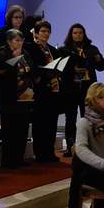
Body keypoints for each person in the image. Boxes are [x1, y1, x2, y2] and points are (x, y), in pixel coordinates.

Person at [59, 23, 104, 154]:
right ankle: (71, 147)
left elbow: (102, 66)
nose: (78, 35)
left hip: (88, 89)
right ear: (71, 35)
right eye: (75, 33)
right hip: (71, 88)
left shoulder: (92, 49)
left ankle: (90, 146)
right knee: (70, 118)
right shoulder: (65, 50)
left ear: (84, 34)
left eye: (80, 33)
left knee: (88, 118)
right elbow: (61, 70)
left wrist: (99, 59)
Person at [0, 29, 35, 169]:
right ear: (9, 41)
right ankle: (8, 159)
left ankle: (19, 157)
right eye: (16, 40)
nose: (19, 43)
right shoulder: (2, 52)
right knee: (9, 128)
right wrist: (13, 57)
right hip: (9, 95)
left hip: (24, 95)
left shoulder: (26, 53)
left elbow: (31, 68)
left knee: (22, 128)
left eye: (21, 40)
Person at [27, 20, 62, 162]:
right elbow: (31, 67)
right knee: (40, 122)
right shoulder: (31, 48)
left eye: (48, 31)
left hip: (53, 88)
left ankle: (49, 151)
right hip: (39, 89)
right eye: (42, 31)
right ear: (36, 33)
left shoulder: (53, 50)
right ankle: (40, 153)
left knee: (51, 122)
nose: (46, 34)